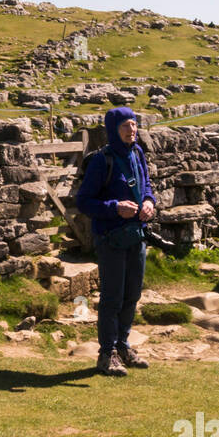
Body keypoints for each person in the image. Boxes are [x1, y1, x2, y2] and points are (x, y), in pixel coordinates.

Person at [75, 106, 157, 376]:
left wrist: (148, 202)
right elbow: (84, 201)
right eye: (125, 126)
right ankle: (106, 353)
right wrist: (114, 207)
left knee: (132, 294)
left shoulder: (137, 153)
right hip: (110, 238)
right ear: (113, 129)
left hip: (136, 235)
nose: (131, 130)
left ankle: (123, 345)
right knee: (112, 297)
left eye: (134, 125)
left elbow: (146, 186)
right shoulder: (102, 160)